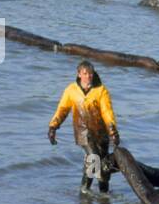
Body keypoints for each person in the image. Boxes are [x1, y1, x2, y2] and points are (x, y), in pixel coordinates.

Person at [48, 60, 119, 193]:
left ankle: (103, 194)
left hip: (101, 132)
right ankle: (85, 190)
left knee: (103, 167)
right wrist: (53, 127)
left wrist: (112, 130)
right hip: (82, 131)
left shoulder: (101, 90)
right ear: (79, 74)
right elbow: (62, 110)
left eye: (91, 73)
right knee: (94, 157)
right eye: (85, 73)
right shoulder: (71, 90)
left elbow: (107, 112)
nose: (88, 76)